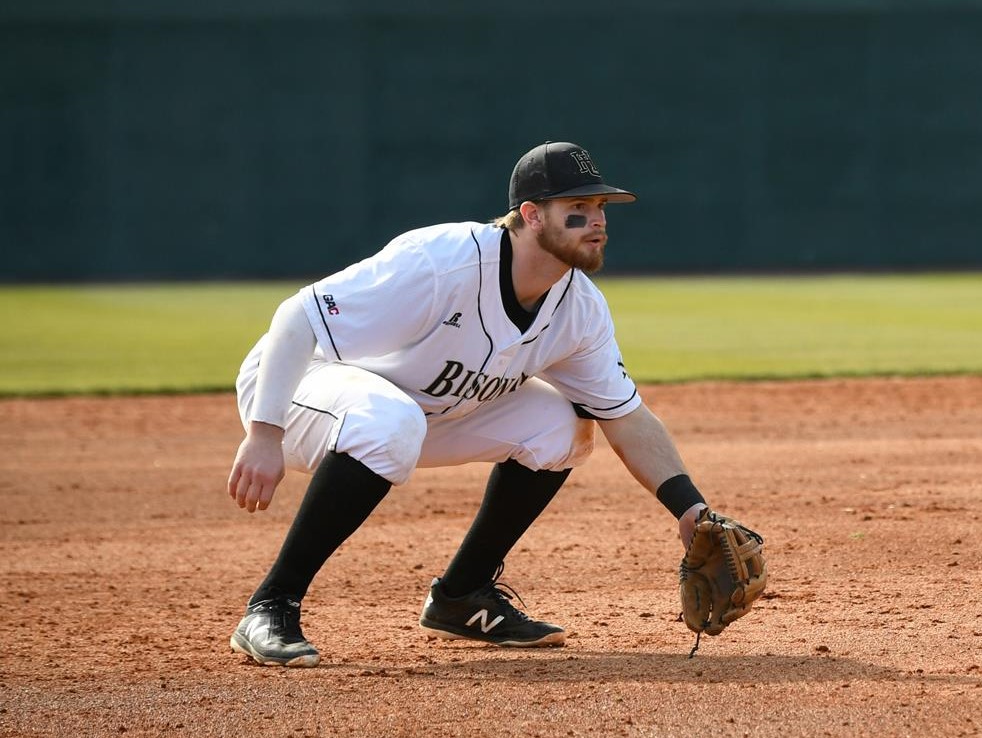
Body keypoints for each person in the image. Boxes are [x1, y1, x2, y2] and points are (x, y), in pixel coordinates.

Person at [226, 141, 743, 667]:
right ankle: (271, 605)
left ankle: (461, 596)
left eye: (601, 209)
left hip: (423, 408)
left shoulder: (578, 308)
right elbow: (298, 318)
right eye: (578, 211)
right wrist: (265, 431)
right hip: (296, 384)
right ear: (531, 216)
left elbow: (625, 415)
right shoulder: (442, 262)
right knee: (389, 421)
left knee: (562, 428)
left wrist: (690, 510)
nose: (597, 223)